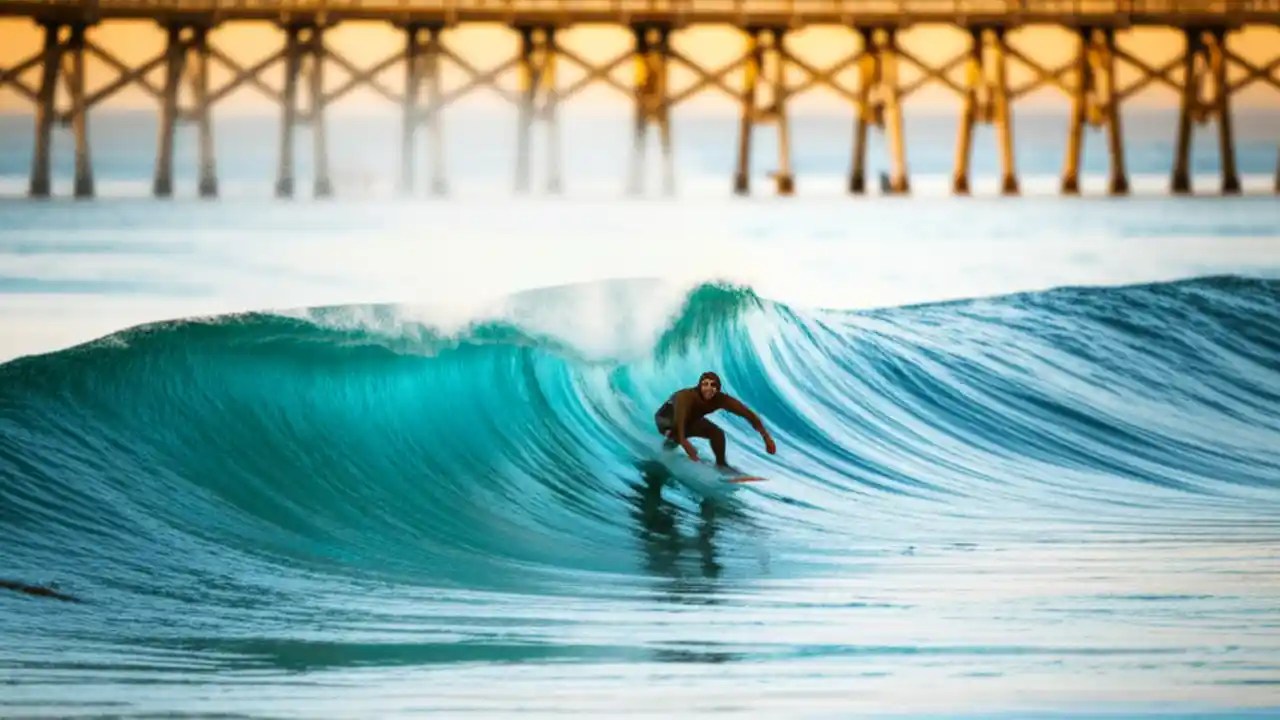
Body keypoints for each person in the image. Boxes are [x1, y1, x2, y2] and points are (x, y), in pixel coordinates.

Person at [653, 371, 776, 468]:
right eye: (705, 384)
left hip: (688, 421)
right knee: (676, 432)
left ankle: (721, 465)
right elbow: (679, 420)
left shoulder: (720, 399)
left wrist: (766, 437)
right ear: (700, 385)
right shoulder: (686, 396)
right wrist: (685, 443)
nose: (709, 388)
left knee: (716, 433)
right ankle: (664, 454)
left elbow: (748, 414)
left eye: (713, 385)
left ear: (718, 388)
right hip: (666, 419)